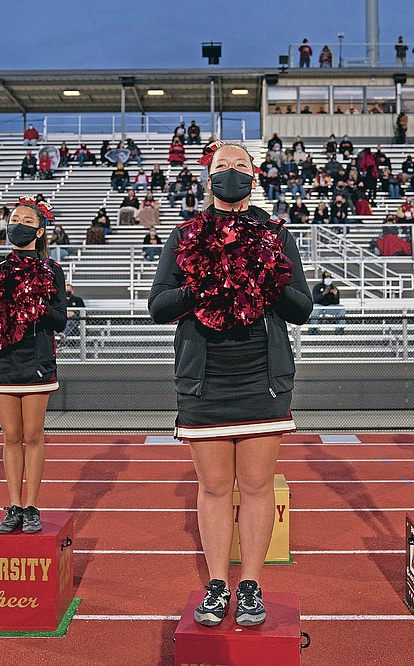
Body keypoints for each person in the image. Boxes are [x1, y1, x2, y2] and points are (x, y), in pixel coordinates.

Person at [148, 141, 312, 629]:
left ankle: (253, 585)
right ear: (208, 177)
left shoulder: (275, 235)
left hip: (262, 377)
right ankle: (219, 585)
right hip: (205, 379)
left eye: (241, 166)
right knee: (215, 487)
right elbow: (159, 306)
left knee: (258, 486)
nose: (232, 173)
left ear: (255, 175)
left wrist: (267, 277)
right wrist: (202, 283)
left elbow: (302, 308)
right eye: (223, 167)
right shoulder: (184, 234)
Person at [0, 197, 66, 535]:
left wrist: (36, 304)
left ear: (39, 229)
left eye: (26, 219)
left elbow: (60, 320)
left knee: (33, 435)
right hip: (1, 362)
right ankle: (13, 505)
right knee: (11, 435)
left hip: (37, 362)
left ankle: (32, 505)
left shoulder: (52, 271)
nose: (17, 223)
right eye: (14, 218)